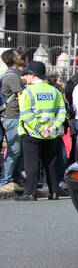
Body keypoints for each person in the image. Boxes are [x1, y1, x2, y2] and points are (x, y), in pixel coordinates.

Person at [15, 61, 66, 201]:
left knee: (32, 163)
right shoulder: (54, 91)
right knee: (51, 162)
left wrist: (39, 128)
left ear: (32, 75)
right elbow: (62, 112)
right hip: (51, 134)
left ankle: (30, 193)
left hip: (33, 133)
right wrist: (53, 127)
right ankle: (54, 192)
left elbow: (26, 114)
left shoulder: (27, 91)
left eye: (27, 74)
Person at [1, 47, 27, 194]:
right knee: (14, 149)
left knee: (19, 149)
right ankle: (6, 180)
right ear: (14, 59)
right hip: (13, 117)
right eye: (18, 55)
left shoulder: (12, 75)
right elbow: (20, 96)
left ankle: (14, 179)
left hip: (13, 117)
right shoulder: (12, 76)